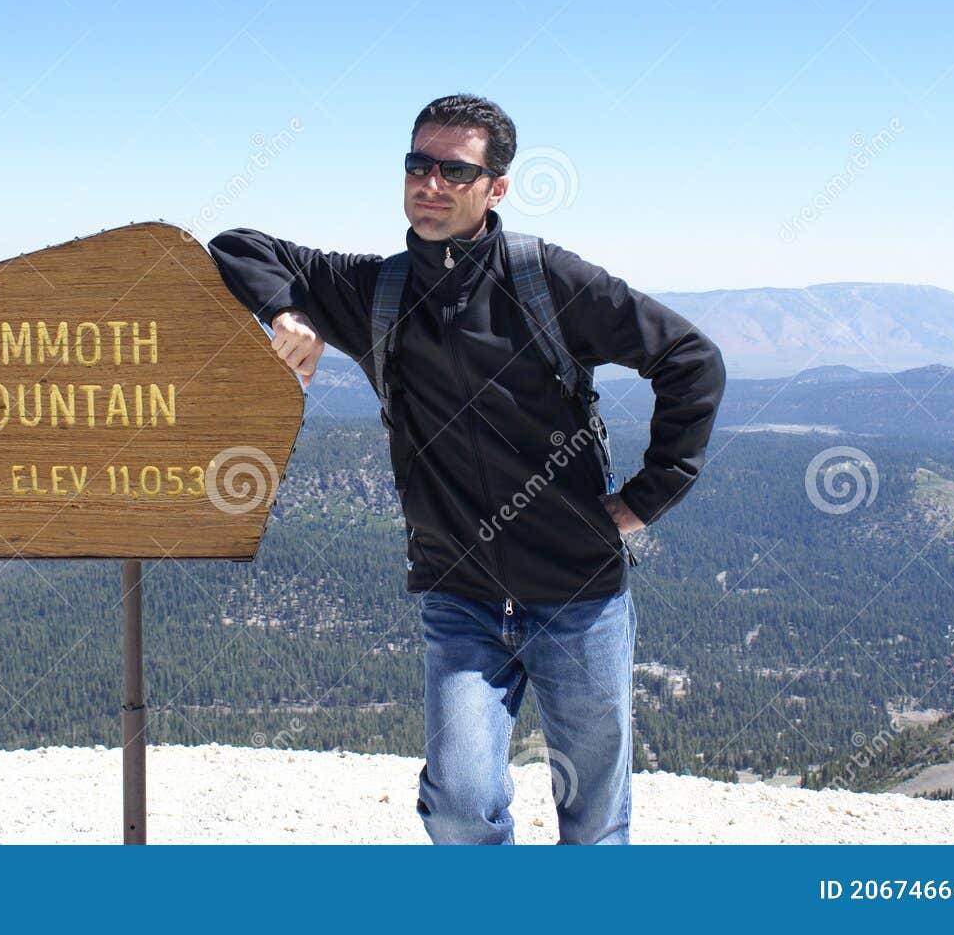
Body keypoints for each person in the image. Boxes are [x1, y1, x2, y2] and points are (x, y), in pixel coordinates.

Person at [208, 93, 726, 844]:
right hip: (460, 596)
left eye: (456, 169)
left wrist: (648, 497)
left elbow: (691, 359)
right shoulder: (377, 291)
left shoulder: (546, 280)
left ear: (497, 186)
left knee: (594, 821)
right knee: (458, 804)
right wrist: (287, 311)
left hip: (577, 592)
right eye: (419, 164)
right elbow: (236, 245)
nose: (432, 183)